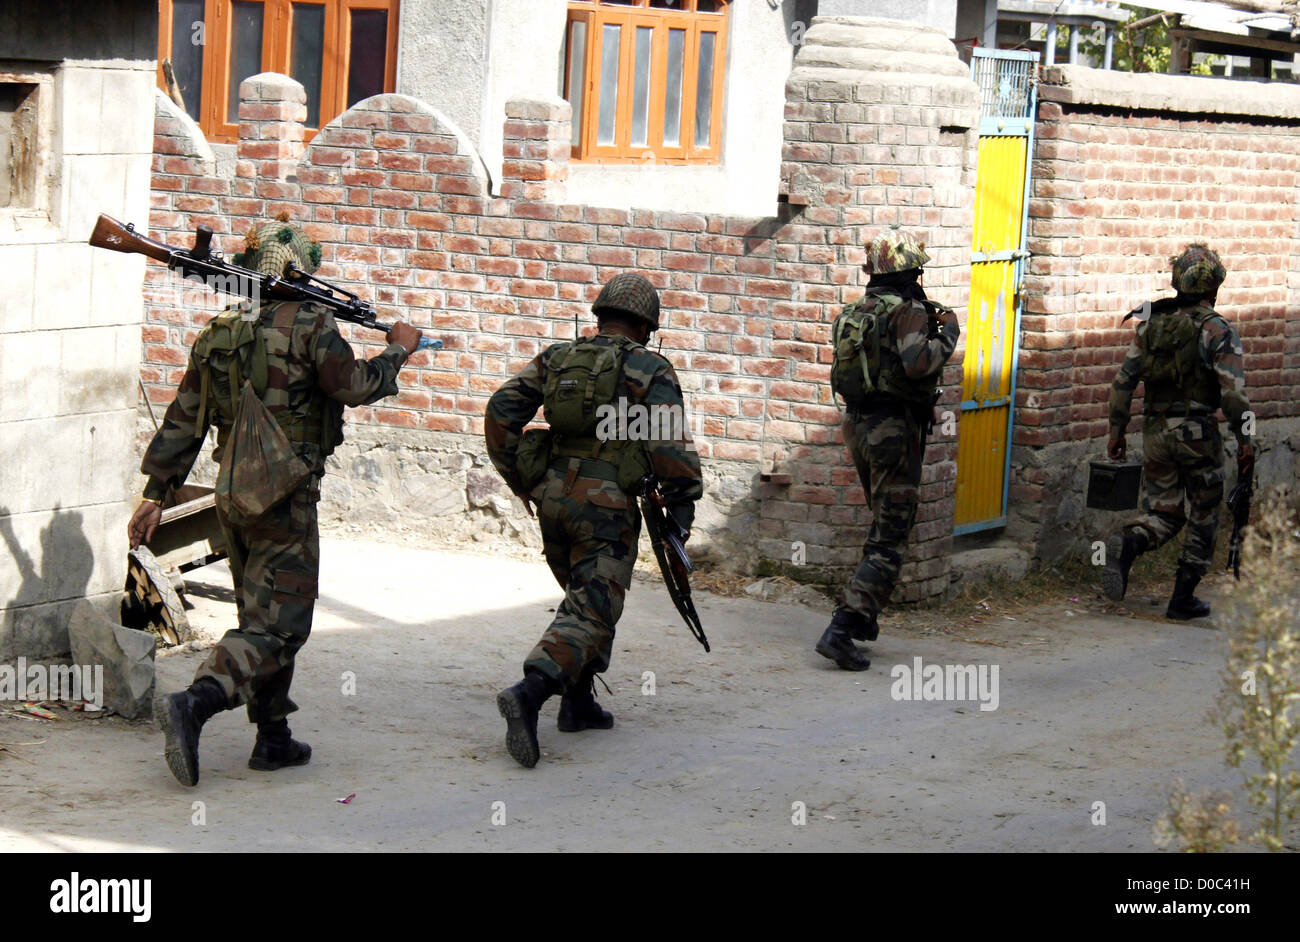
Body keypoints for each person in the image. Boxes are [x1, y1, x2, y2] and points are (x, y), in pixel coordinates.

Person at [128, 213, 422, 786]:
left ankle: (273, 737)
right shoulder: (311, 324)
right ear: (295, 273)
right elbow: (355, 386)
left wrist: (156, 494)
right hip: (284, 497)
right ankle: (196, 703)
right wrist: (398, 352)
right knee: (280, 627)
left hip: (232, 496)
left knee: (259, 615)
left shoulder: (218, 331)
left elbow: (182, 423)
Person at [485, 273, 702, 768]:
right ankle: (531, 689)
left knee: (584, 596)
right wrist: (683, 503)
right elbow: (669, 444)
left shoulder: (558, 358)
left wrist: (517, 476)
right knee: (592, 608)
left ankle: (577, 702)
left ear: (600, 315)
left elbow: (501, 410)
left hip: (555, 500)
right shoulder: (650, 367)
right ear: (646, 325)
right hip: (606, 508)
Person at [818, 228, 960, 671]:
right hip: (893, 428)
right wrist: (949, 335)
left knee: (883, 519)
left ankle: (864, 616)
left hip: (858, 424)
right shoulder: (908, 311)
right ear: (908, 271)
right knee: (892, 530)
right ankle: (844, 626)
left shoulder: (855, 310)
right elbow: (918, 364)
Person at [1101, 244, 1252, 619]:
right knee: (1204, 510)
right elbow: (1233, 395)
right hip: (1197, 433)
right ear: (1213, 287)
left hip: (1154, 432)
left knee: (1165, 510)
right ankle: (1182, 598)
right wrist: (1246, 438)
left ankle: (1130, 543)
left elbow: (1123, 382)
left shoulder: (1152, 324)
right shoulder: (1218, 330)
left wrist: (1116, 432)